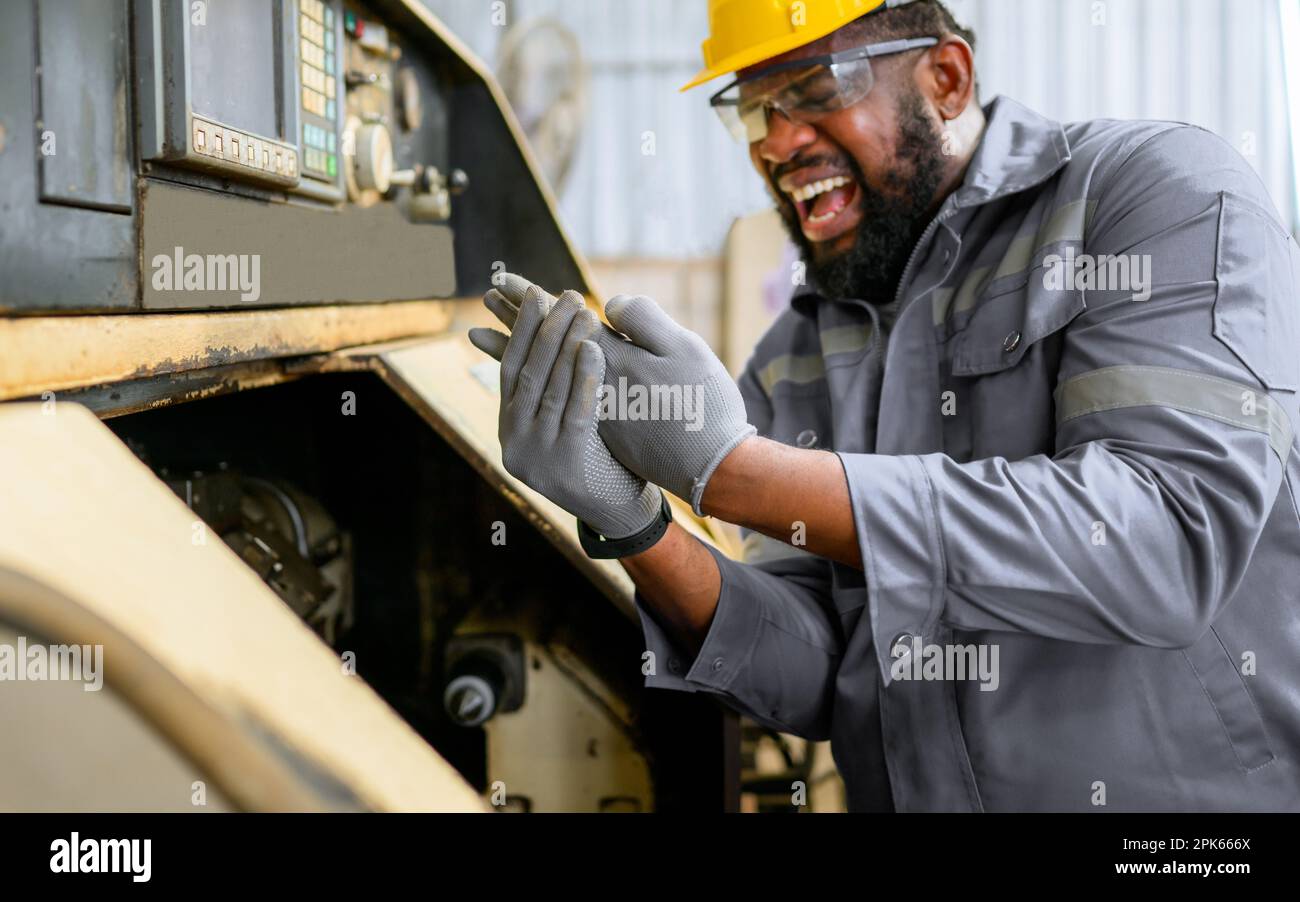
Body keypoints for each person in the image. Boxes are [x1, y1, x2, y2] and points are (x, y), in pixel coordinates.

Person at [469, 0, 1300, 811]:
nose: (779, 142)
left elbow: (1165, 541)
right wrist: (637, 526)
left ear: (945, 76)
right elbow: (820, 673)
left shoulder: (1149, 198)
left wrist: (733, 474)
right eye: (753, 110)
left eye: (817, 87)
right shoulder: (795, 357)